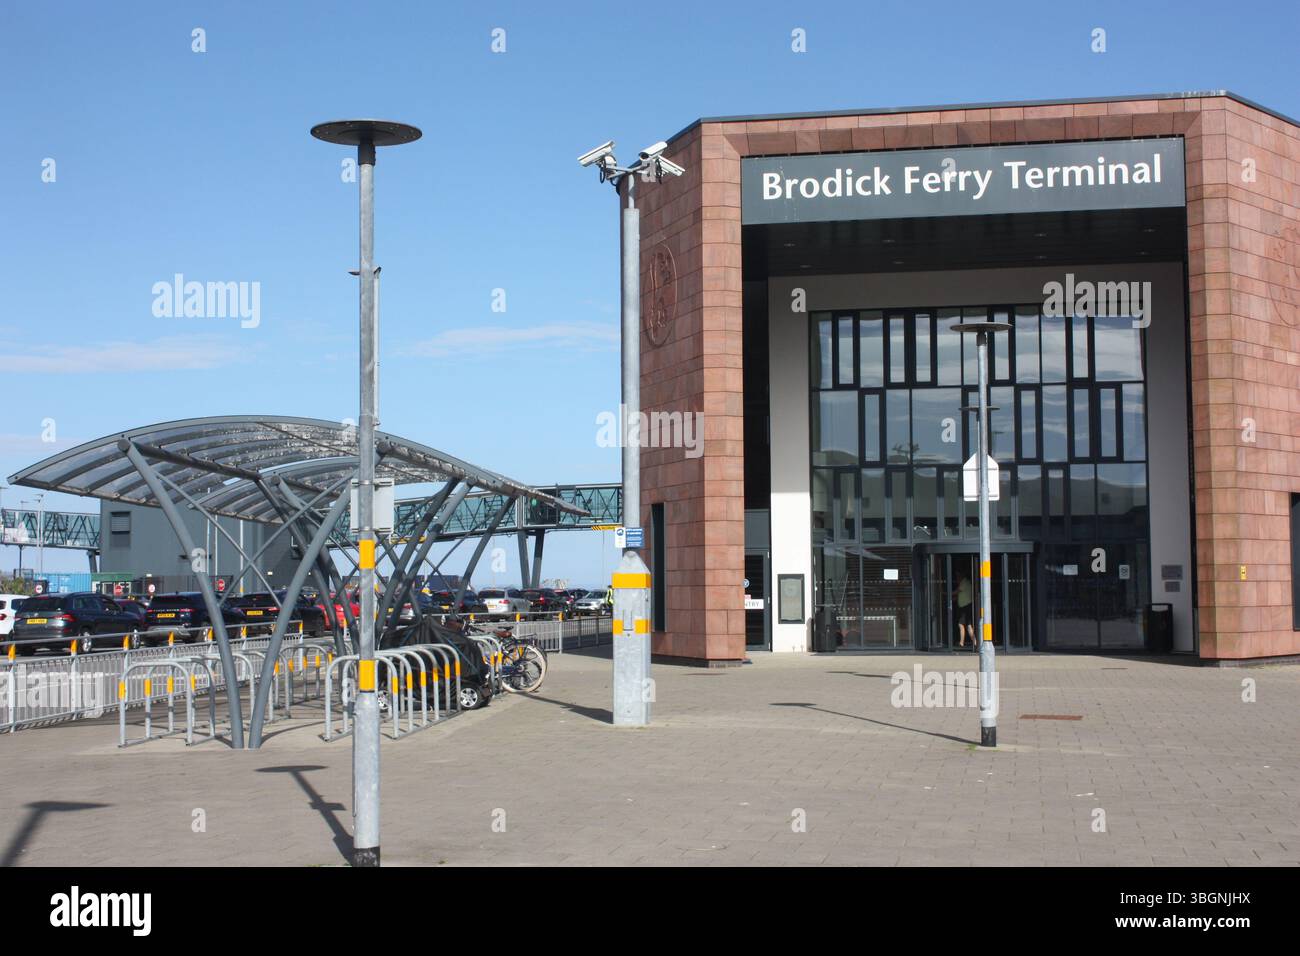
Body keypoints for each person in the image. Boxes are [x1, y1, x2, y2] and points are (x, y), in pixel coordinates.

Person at [953, 571, 974, 648]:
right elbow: (961, 595)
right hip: (965, 607)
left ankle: (962, 643)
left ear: (961, 576)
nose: (957, 579)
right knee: (968, 625)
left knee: (961, 624)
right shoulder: (965, 583)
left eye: (958, 577)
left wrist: (946, 593)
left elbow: (956, 592)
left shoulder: (964, 583)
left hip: (966, 607)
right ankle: (974, 642)